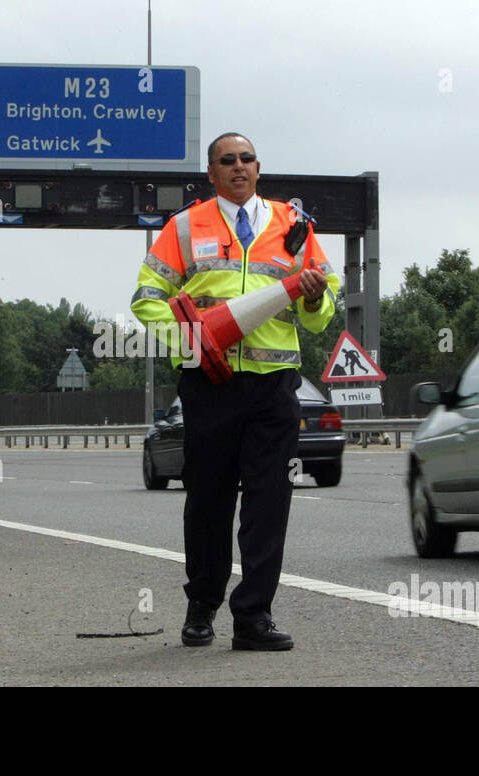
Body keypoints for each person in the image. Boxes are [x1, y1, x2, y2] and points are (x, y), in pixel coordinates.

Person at [131, 132, 340, 650]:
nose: (239, 167)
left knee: (269, 501)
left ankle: (254, 617)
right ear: (212, 172)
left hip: (272, 388)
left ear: (259, 167)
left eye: (247, 159)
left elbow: (322, 314)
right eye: (228, 160)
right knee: (208, 499)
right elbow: (146, 299)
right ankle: (202, 605)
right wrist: (193, 337)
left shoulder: (295, 227)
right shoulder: (184, 226)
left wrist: (313, 300)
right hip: (209, 384)